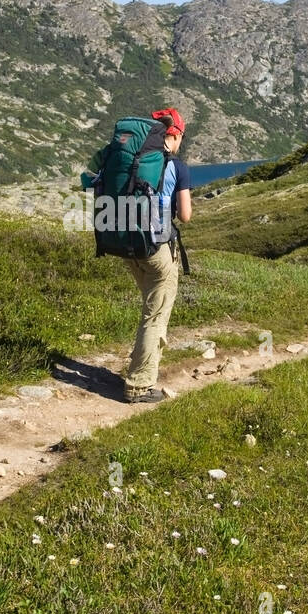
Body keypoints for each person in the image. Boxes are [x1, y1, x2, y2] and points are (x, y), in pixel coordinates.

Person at [117, 108, 191, 403]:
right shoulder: (177, 167)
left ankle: (139, 365)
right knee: (155, 316)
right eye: (181, 136)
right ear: (174, 135)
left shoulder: (131, 161)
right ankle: (138, 386)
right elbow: (185, 216)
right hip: (157, 248)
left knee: (150, 309)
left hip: (129, 245)